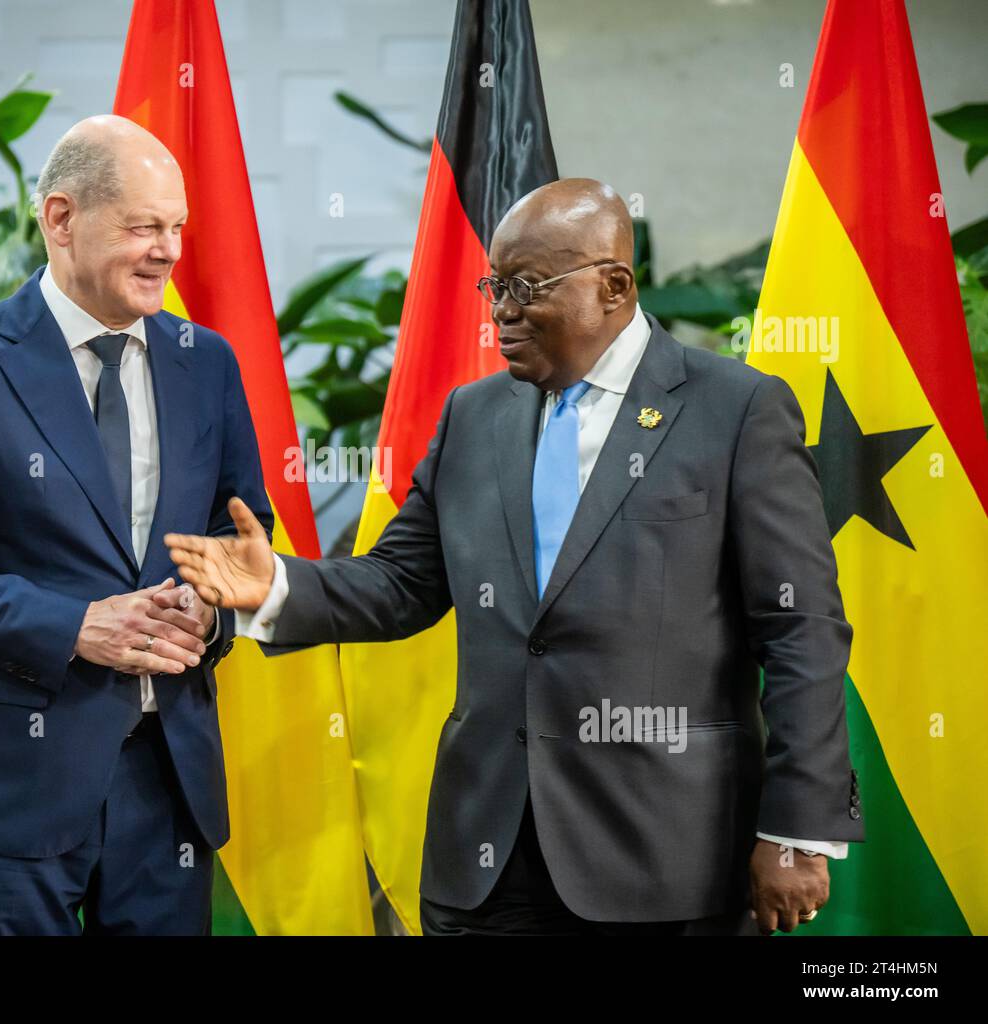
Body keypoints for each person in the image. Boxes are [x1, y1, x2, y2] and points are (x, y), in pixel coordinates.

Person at [166, 178, 863, 936]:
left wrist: (796, 829)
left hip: (665, 859)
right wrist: (277, 587)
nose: (500, 310)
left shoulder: (736, 410)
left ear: (613, 286)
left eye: (527, 287)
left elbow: (801, 631)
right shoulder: (475, 414)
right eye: (495, 285)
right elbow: (401, 582)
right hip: (487, 858)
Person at [0, 115, 271, 935]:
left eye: (177, 228)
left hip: (169, 777)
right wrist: (77, 625)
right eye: (142, 227)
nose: (168, 250)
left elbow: (241, 531)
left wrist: (211, 603)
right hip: (13, 785)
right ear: (59, 219)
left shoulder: (209, 362)